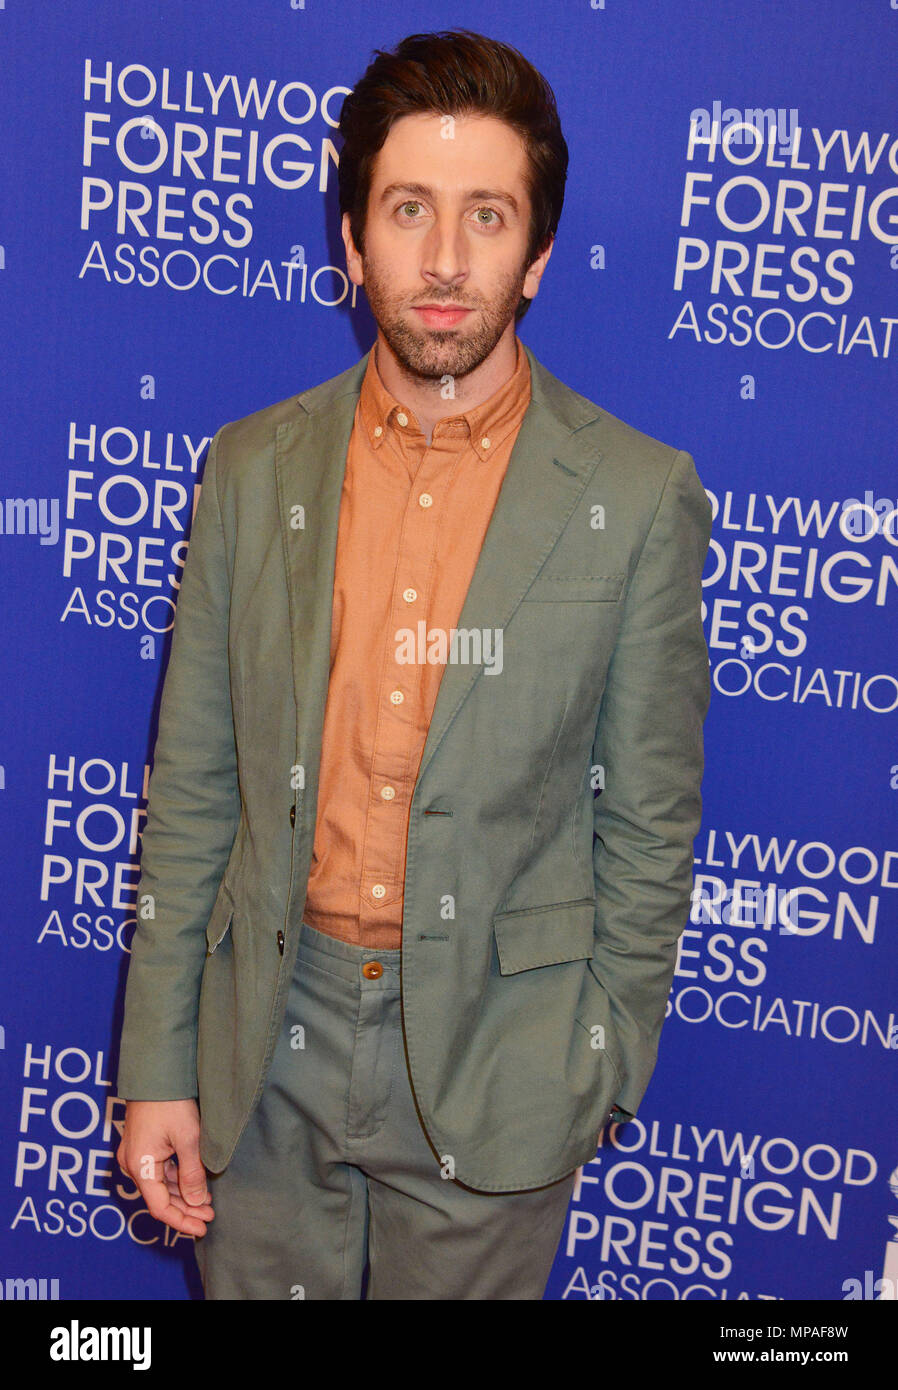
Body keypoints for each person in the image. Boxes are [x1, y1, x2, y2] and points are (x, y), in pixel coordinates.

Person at [116, 29, 713, 1301]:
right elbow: (195, 796)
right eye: (407, 211)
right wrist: (159, 1063)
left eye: (487, 216)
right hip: (262, 1041)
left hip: (503, 1056)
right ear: (351, 239)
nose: (445, 262)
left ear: (538, 253)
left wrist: (592, 1063)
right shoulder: (249, 471)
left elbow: (652, 824)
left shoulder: (635, 494)